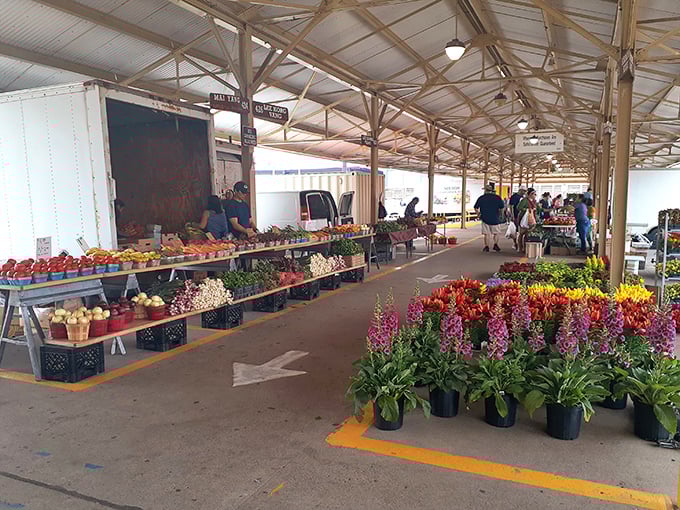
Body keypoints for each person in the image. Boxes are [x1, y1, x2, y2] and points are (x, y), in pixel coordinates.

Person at [474, 184, 505, 253]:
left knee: (486, 234)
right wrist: (501, 215)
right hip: (495, 218)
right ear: (492, 190)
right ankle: (496, 244)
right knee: (496, 233)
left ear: (485, 190)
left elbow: (476, 207)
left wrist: (478, 214)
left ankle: (487, 246)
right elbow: (502, 208)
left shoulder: (481, 198)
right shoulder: (497, 197)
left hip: (485, 218)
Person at [517, 188, 539, 253]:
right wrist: (527, 209)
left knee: (528, 234)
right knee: (521, 234)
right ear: (530, 194)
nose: (535, 195)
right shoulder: (524, 200)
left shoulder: (534, 201)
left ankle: (525, 248)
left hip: (531, 219)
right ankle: (520, 247)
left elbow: (537, 209)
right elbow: (518, 207)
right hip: (524, 219)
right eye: (534, 194)